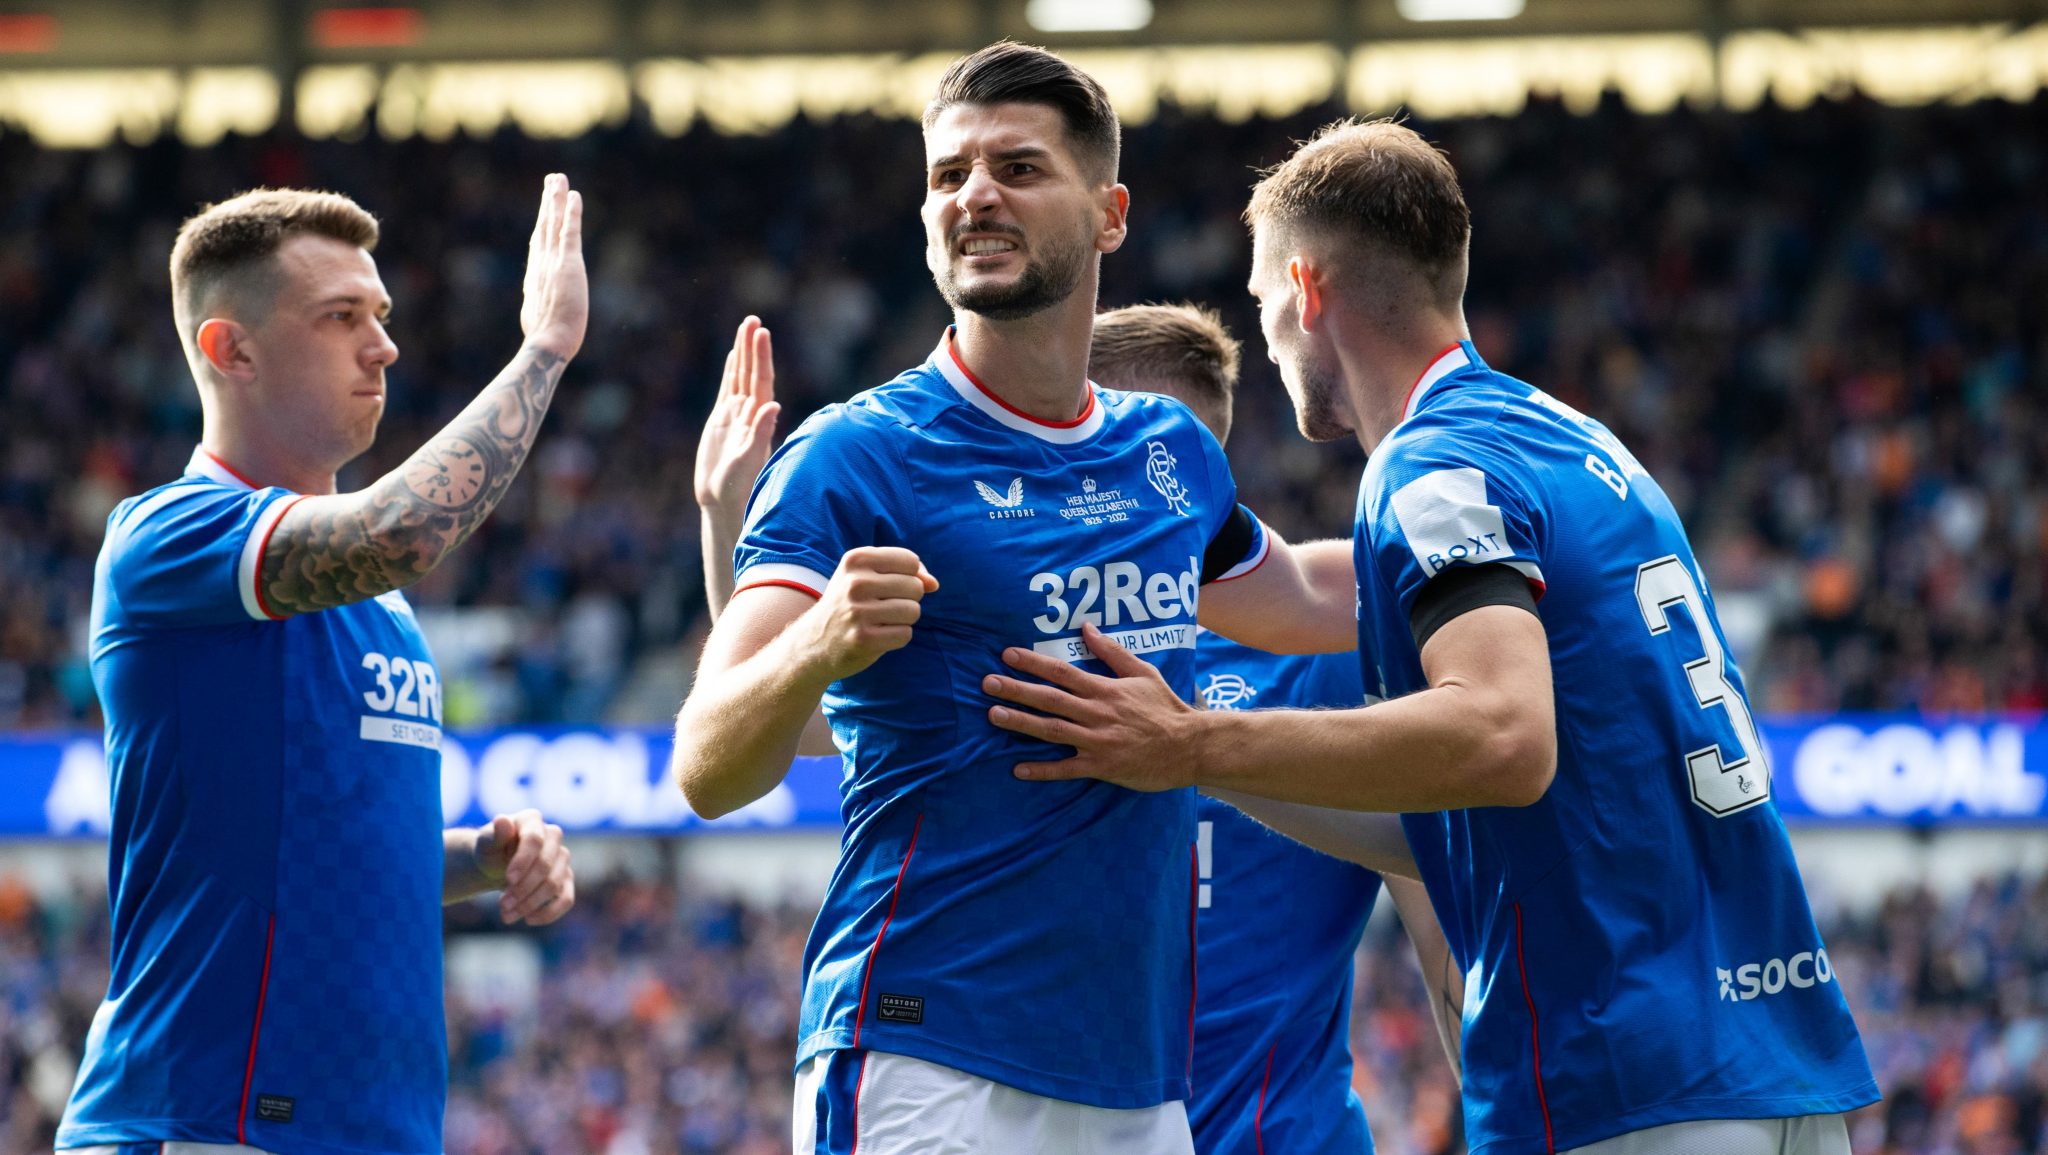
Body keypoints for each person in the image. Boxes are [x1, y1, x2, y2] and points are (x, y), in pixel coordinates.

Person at [982, 120, 1879, 1155]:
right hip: (1759, 1062)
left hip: (1630, 1074)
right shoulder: (1565, 440)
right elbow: (1423, 790)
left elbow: (1500, 736)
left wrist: (1191, 745)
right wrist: (1193, 748)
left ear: (1308, 291)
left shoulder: (1429, 471)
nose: (1265, 335)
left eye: (1266, 299)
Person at [671, 42, 1371, 1155]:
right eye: (948, 175)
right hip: (924, 1056)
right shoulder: (855, 458)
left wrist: (1501, 547)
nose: (975, 195)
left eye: (1017, 167)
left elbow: (1294, 596)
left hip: (1136, 1087)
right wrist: (815, 641)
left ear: (1108, 214)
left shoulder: (1168, 455)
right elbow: (708, 764)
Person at [691, 304, 1460, 1155]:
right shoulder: (1000, 631)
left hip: (1228, 1123)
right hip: (1002, 1068)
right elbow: (802, 725)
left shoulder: (1321, 660)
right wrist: (738, 536)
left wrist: (1198, 747)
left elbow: (1440, 884)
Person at [58, 179, 586, 1155]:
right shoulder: (169, 537)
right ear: (232, 349)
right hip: (212, 1121)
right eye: (341, 317)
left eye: (380, 315)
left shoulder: (377, 607)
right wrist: (542, 353)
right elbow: (399, 529)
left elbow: (326, 860)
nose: (382, 345)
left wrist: (480, 859)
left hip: (368, 1130)